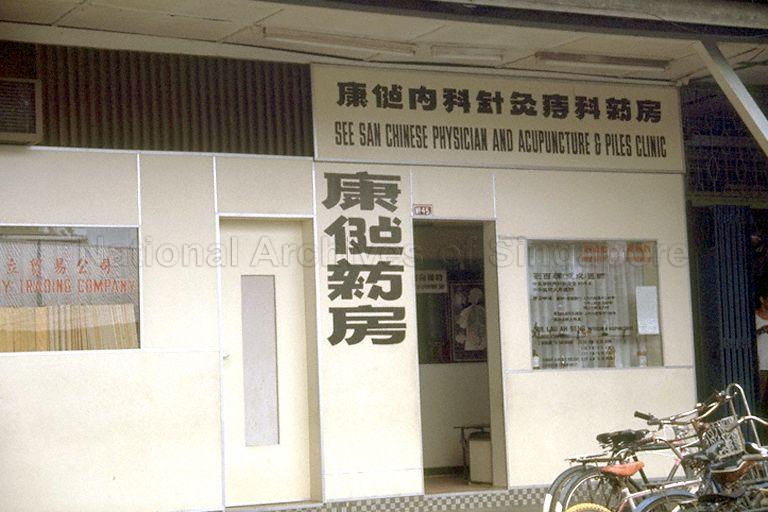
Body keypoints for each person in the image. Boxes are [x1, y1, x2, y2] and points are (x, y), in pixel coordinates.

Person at [755, 279, 768, 416]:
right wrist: (762, 330)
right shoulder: (754, 316)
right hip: (762, 363)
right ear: (762, 300)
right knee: (761, 395)